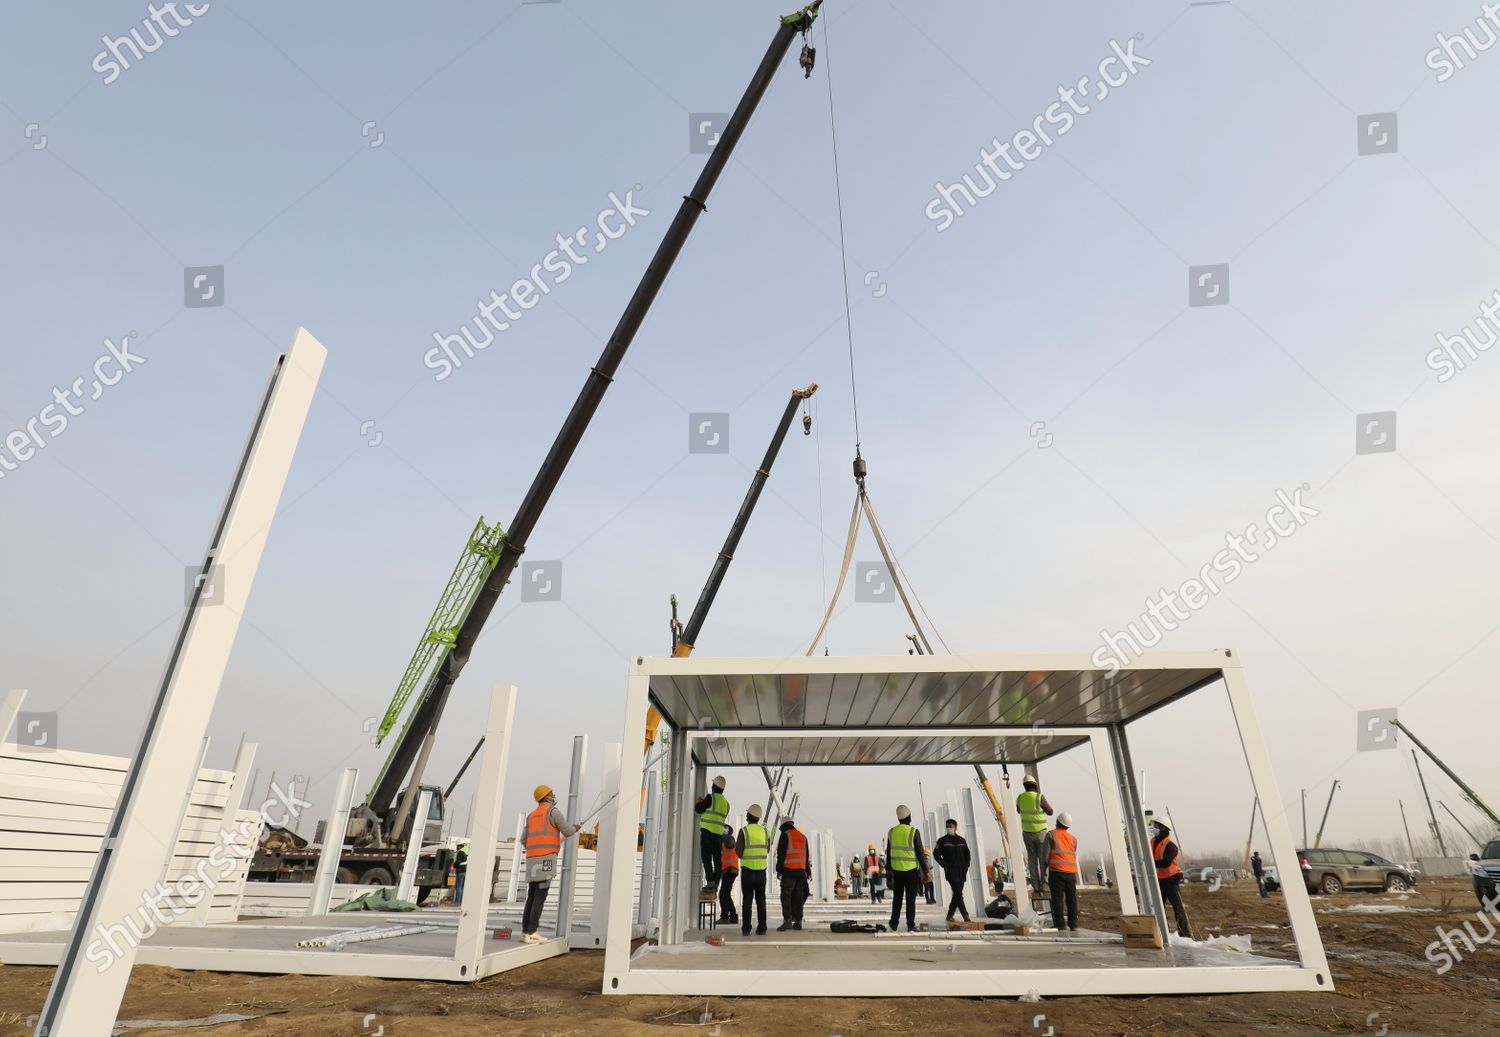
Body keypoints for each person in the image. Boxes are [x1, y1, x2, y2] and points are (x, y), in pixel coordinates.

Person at [520, 784, 581, 943]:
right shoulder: (553, 812)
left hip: (532, 860)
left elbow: (523, 840)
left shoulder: (532, 816)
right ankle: (532, 931)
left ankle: (525, 931)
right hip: (546, 859)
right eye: (552, 794)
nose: (554, 796)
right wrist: (576, 827)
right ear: (546, 797)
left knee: (532, 896)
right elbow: (567, 831)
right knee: (540, 896)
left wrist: (535, 848)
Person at [886, 805, 930, 932]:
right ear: (909, 817)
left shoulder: (892, 832)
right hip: (911, 871)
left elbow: (889, 853)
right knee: (911, 899)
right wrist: (926, 872)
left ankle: (894, 923)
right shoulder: (913, 832)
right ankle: (910, 925)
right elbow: (920, 854)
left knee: (897, 899)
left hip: (897, 871)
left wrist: (889, 872)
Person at [1150, 815, 1192, 938]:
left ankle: (1185, 934)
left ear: (1163, 828)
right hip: (1159, 879)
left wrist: (1151, 863)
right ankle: (1162, 932)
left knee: (1177, 907)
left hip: (1171, 879)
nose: (1154, 828)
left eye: (1156, 826)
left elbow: (1166, 862)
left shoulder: (1170, 845)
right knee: (1158, 907)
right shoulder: (1153, 841)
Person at [736, 803, 770, 935]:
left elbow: (738, 852)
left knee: (747, 901)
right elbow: (766, 850)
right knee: (761, 901)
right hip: (761, 871)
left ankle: (746, 929)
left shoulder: (744, 831)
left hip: (748, 872)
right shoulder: (765, 831)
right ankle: (762, 928)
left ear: (749, 816)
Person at [1016, 776, 1054, 894]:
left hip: (1027, 833)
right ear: (1035, 785)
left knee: (1032, 860)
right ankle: (1044, 884)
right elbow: (1050, 811)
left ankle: (1035, 886)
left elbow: (1018, 810)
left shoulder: (1020, 798)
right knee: (1043, 859)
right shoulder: (1039, 797)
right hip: (1041, 833)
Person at [1044, 812, 1079, 932]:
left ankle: (1060, 924)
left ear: (1057, 821)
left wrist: (1043, 870)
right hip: (1071, 873)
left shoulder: (1051, 835)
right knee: (1072, 899)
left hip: (1056, 871)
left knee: (1057, 899)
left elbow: (1045, 856)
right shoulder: (1073, 839)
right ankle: (1073, 925)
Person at [775, 815, 811, 931]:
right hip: (801, 872)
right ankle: (798, 922)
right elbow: (806, 857)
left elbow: (781, 855)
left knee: (785, 896)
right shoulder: (803, 836)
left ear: (783, 825)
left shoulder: (785, 835)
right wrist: (808, 871)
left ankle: (787, 921)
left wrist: (779, 870)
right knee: (798, 897)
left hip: (789, 871)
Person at [933, 817, 972, 923]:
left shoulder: (962, 841)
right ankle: (966, 916)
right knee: (959, 894)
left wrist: (966, 865)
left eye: (951, 826)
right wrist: (944, 865)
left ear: (955, 827)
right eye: (947, 827)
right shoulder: (942, 841)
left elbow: (967, 854)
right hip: (951, 871)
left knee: (957, 894)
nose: (949, 828)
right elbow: (936, 854)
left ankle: (950, 915)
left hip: (962, 872)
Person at [695, 775, 730, 893]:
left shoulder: (710, 797)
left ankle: (710, 883)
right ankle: (715, 883)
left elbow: (699, 809)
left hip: (707, 833)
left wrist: (699, 802)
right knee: (717, 860)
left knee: (706, 858)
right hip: (718, 835)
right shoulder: (726, 803)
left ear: (714, 786)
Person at [718, 825, 740, 925]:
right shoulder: (725, 840)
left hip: (729, 869)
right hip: (729, 869)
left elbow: (729, 843)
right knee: (725, 893)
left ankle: (724, 917)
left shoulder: (728, 839)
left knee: (723, 894)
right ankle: (733, 916)